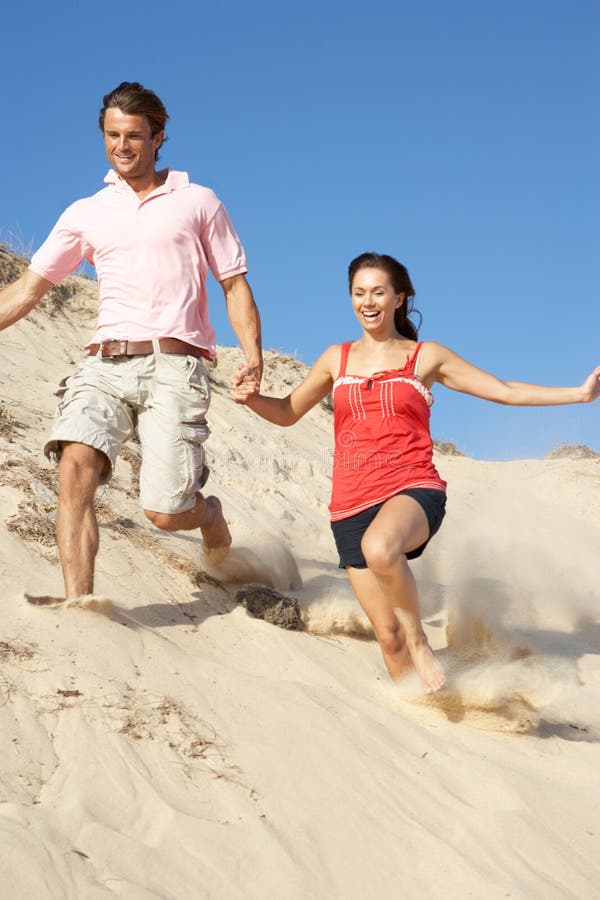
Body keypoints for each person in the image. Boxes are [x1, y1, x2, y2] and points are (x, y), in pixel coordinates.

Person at [231, 251, 600, 695]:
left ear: (399, 298)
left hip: (412, 487)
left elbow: (503, 391)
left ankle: (422, 641)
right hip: (349, 503)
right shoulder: (336, 359)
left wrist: (578, 394)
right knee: (388, 638)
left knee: (381, 548)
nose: (368, 301)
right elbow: (289, 412)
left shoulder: (426, 357)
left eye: (379, 292)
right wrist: (252, 399)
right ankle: (426, 712)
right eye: (359, 292)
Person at [0, 81, 262, 600]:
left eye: (134, 136)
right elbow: (30, 288)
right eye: (112, 135)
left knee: (165, 513)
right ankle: (81, 603)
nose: (122, 146)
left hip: (174, 366)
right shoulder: (86, 212)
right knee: (74, 466)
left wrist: (253, 356)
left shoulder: (198, 200)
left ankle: (207, 514)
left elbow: (233, 283)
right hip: (104, 362)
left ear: (158, 137)